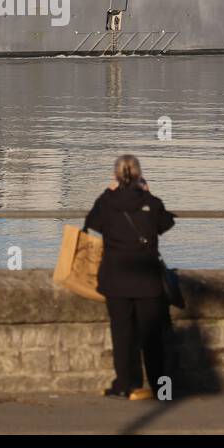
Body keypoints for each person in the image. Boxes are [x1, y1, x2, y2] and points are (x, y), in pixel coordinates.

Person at [83, 155, 176, 400]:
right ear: (139, 176)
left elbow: (91, 223)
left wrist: (107, 193)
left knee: (122, 335)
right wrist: (148, 194)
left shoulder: (106, 202)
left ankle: (124, 384)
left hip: (116, 279)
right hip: (147, 281)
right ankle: (161, 389)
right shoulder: (151, 203)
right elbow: (166, 225)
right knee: (152, 339)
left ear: (116, 176)